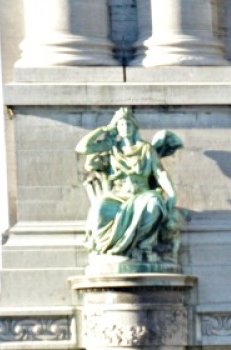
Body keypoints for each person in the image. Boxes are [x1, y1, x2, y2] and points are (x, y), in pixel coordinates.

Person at [75, 107, 185, 262]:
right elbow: (82, 147)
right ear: (117, 128)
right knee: (99, 209)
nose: (125, 128)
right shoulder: (112, 147)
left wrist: (172, 193)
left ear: (134, 127)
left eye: (128, 125)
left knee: (154, 204)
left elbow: (160, 173)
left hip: (142, 194)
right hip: (118, 196)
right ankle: (108, 248)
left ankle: (143, 246)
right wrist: (104, 129)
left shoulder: (146, 149)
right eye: (121, 125)